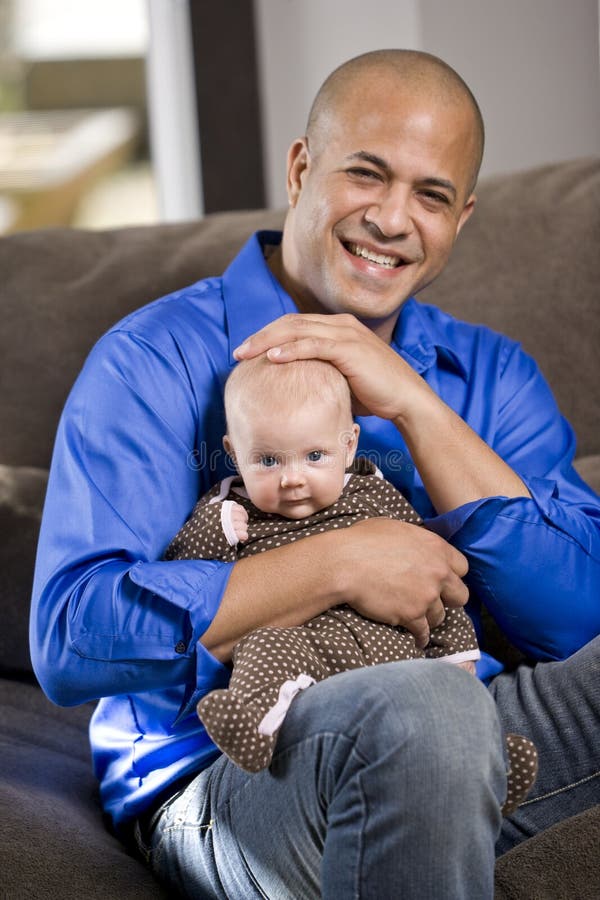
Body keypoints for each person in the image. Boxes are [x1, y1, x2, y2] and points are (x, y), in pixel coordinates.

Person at [30, 48, 600, 900]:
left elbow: (580, 620)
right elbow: (70, 637)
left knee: (440, 713)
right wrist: (338, 562)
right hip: (235, 767)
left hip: (476, 730)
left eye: (431, 195)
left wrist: (418, 408)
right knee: (426, 709)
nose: (393, 219)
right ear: (301, 168)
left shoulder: (492, 374)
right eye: (367, 174)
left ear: (461, 218)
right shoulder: (152, 359)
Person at [165, 354, 537, 815]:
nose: (292, 479)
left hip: (389, 646)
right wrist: (217, 529)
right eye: (267, 460)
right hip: (305, 651)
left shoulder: (377, 498)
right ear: (234, 452)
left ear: (348, 445)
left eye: (314, 456)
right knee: (261, 647)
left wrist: (455, 655)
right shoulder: (229, 510)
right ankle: (259, 728)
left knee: (442, 704)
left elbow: (431, 577)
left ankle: (491, 769)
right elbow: (187, 577)